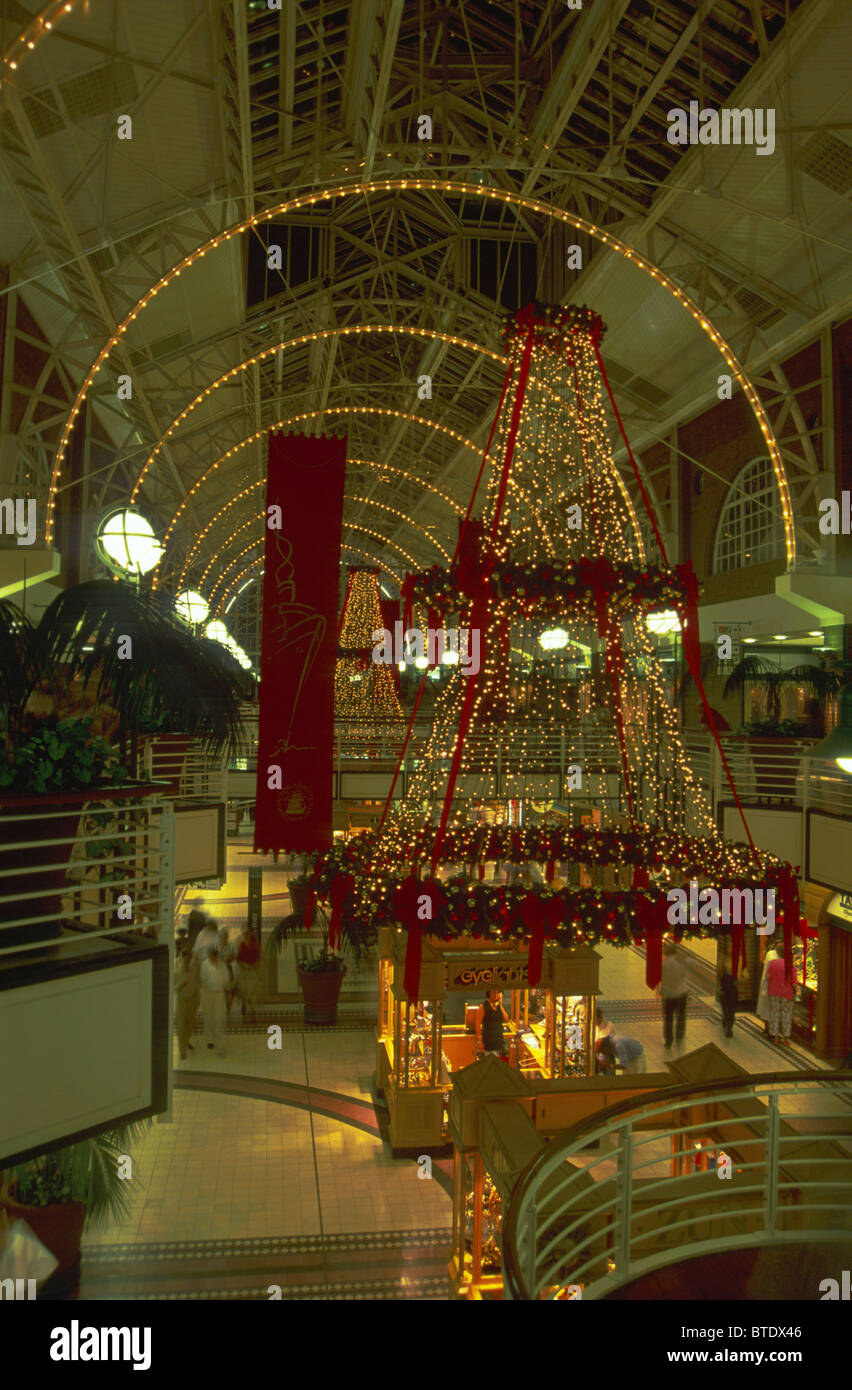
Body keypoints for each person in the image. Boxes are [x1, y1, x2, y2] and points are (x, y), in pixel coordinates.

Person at [657, 940, 688, 1050]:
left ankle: (668, 1040)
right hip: (681, 992)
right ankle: (679, 1036)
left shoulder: (663, 963)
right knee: (681, 1016)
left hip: (668, 994)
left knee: (668, 1018)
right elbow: (683, 975)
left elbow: (660, 978)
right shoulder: (679, 963)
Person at [200, 946, 231, 1056]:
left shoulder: (222, 965)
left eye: (215, 955)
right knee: (208, 1018)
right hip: (208, 994)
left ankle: (220, 1045)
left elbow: (226, 980)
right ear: (209, 955)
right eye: (211, 955)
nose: (213, 957)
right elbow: (203, 981)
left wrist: (228, 986)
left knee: (220, 1019)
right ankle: (210, 1040)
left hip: (219, 995)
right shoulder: (204, 965)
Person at [174, 942, 200, 1060]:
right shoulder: (176, 970)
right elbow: (174, 988)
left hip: (192, 1000)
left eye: (188, 956)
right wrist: (180, 985)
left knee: (190, 1025)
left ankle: (186, 1040)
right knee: (181, 1026)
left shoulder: (193, 968)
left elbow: (197, 983)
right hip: (182, 1002)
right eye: (185, 956)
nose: (187, 959)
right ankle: (182, 1051)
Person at [766, 950, 798, 1046]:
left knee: (774, 1014)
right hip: (787, 994)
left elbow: (768, 976)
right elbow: (794, 982)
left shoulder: (773, 963)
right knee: (786, 1015)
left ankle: (775, 1037)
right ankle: (785, 1038)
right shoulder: (791, 967)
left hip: (774, 991)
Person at [234, 923, 261, 1020]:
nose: (246, 934)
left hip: (252, 970)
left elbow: (258, 955)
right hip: (243, 971)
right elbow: (237, 958)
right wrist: (244, 966)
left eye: (247, 932)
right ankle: (244, 1004)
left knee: (253, 992)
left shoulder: (254, 940)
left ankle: (253, 1012)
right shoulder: (238, 941)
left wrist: (256, 967)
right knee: (244, 991)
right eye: (244, 932)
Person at [476, 990, 508, 1058]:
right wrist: (479, 1040)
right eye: (493, 992)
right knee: (490, 1063)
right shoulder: (483, 1006)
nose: (496, 995)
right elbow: (478, 1024)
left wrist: (501, 1005)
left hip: (498, 1039)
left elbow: (506, 1018)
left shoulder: (499, 1006)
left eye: (498, 992)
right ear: (489, 993)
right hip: (488, 1040)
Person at [756, 947, 779, 1035]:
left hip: (769, 986)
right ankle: (770, 1030)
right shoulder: (773, 957)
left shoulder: (770, 954)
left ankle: (768, 1028)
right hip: (771, 987)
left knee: (767, 1008)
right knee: (769, 1008)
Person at [718, 950, 739, 1039]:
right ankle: (727, 1021)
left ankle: (729, 1025)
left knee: (730, 1007)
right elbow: (719, 971)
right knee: (727, 1006)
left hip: (732, 984)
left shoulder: (739, 959)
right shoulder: (724, 958)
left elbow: (744, 975)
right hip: (727, 984)